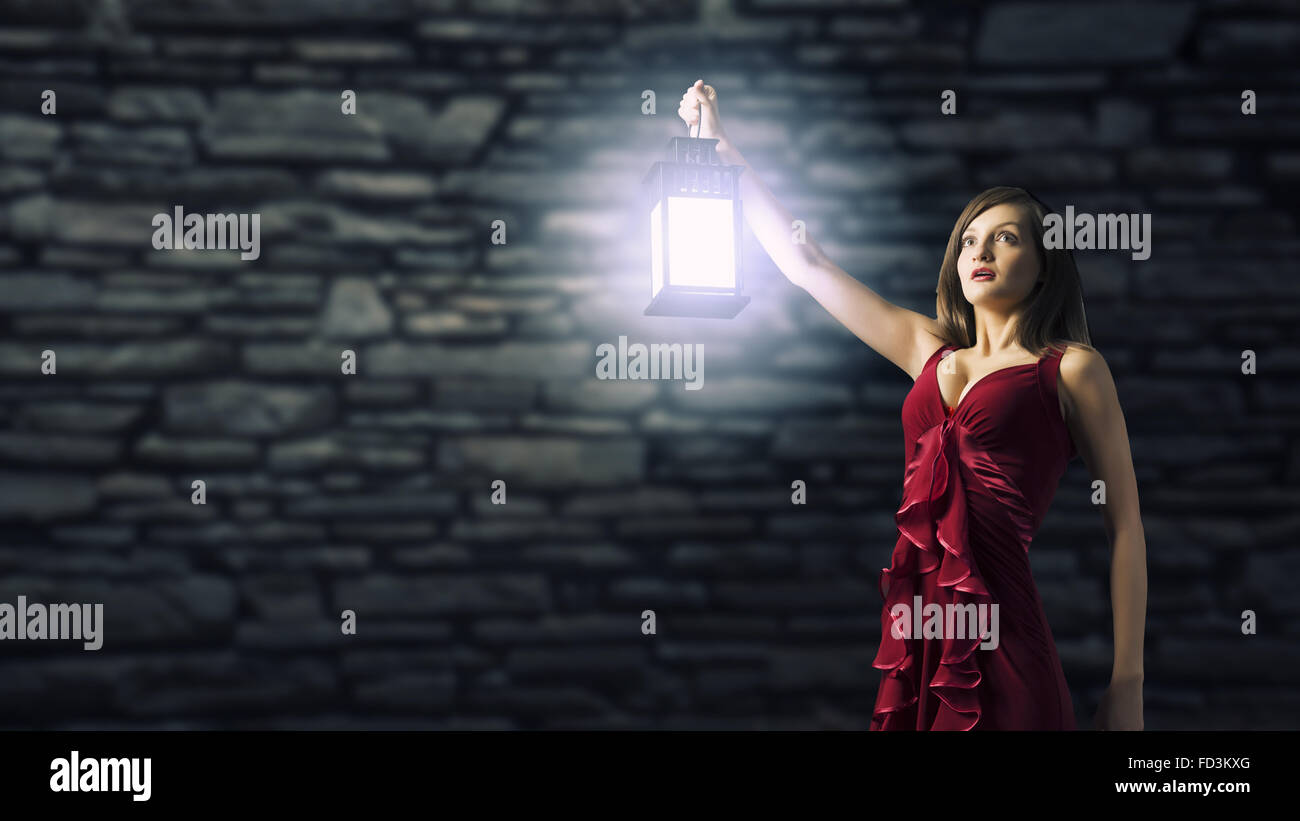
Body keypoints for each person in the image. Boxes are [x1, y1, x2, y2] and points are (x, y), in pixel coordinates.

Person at [678, 80, 1146, 730]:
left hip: (1008, 643)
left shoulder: (1071, 369)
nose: (979, 251)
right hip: (917, 640)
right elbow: (804, 262)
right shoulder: (926, 346)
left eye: (1005, 238)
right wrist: (722, 149)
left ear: (1044, 264)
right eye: (969, 240)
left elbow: (1123, 524)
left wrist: (1128, 684)